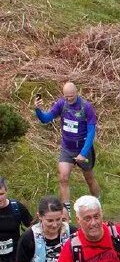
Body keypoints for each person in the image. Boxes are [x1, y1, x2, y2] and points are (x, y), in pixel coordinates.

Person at [34, 82, 100, 216]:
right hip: (67, 149)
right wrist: (38, 110)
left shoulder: (86, 107)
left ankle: (98, 206)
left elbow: (91, 132)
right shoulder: (61, 104)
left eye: (71, 96)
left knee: (89, 179)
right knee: (63, 178)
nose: (69, 99)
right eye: (66, 96)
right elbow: (46, 119)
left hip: (83, 148)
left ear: (76, 92)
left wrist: (83, 153)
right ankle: (66, 215)